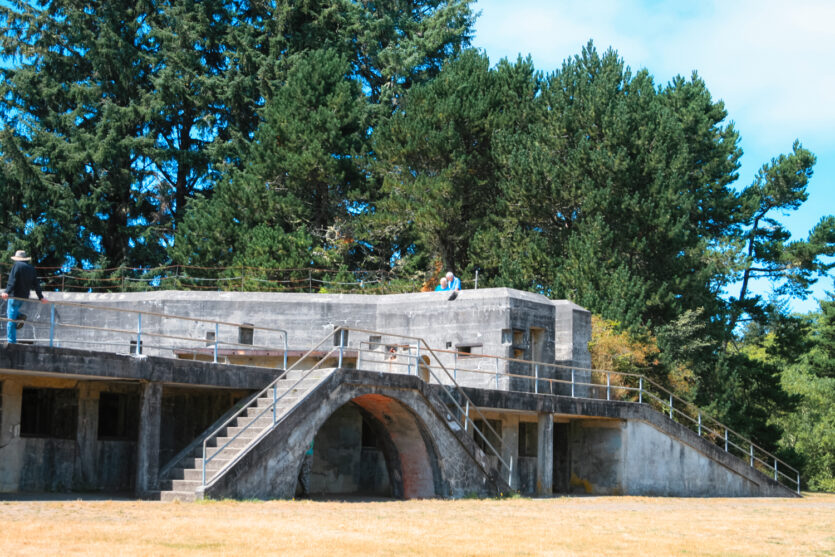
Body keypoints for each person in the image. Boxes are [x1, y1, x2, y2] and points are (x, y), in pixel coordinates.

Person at [2, 250, 47, 343]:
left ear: (17, 259)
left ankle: (11, 342)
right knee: (13, 315)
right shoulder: (31, 268)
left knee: (10, 320)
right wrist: (40, 297)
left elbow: (12, 280)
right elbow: (36, 284)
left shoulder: (17, 266)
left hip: (14, 296)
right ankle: (20, 316)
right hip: (23, 297)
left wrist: (7, 292)